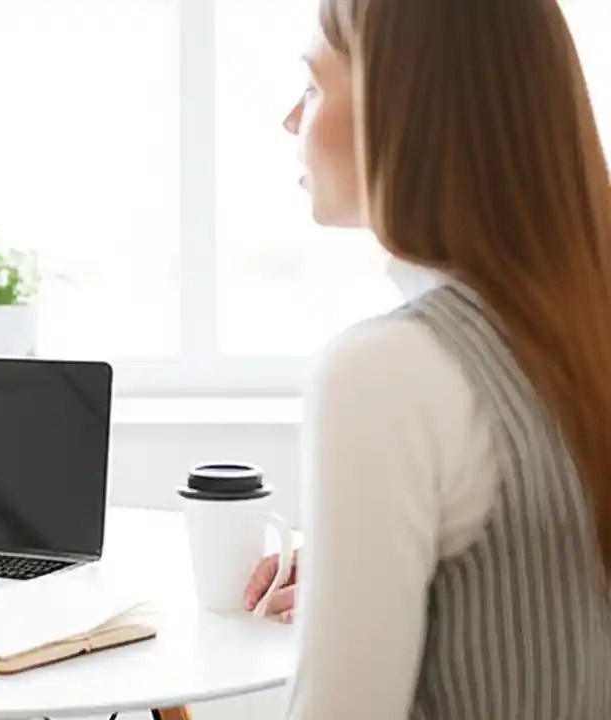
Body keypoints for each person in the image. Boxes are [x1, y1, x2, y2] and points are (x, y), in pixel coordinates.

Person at [243, 0, 611, 717]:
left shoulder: (386, 374)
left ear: (398, 108)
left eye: (314, 85)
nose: (292, 118)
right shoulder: (577, 331)